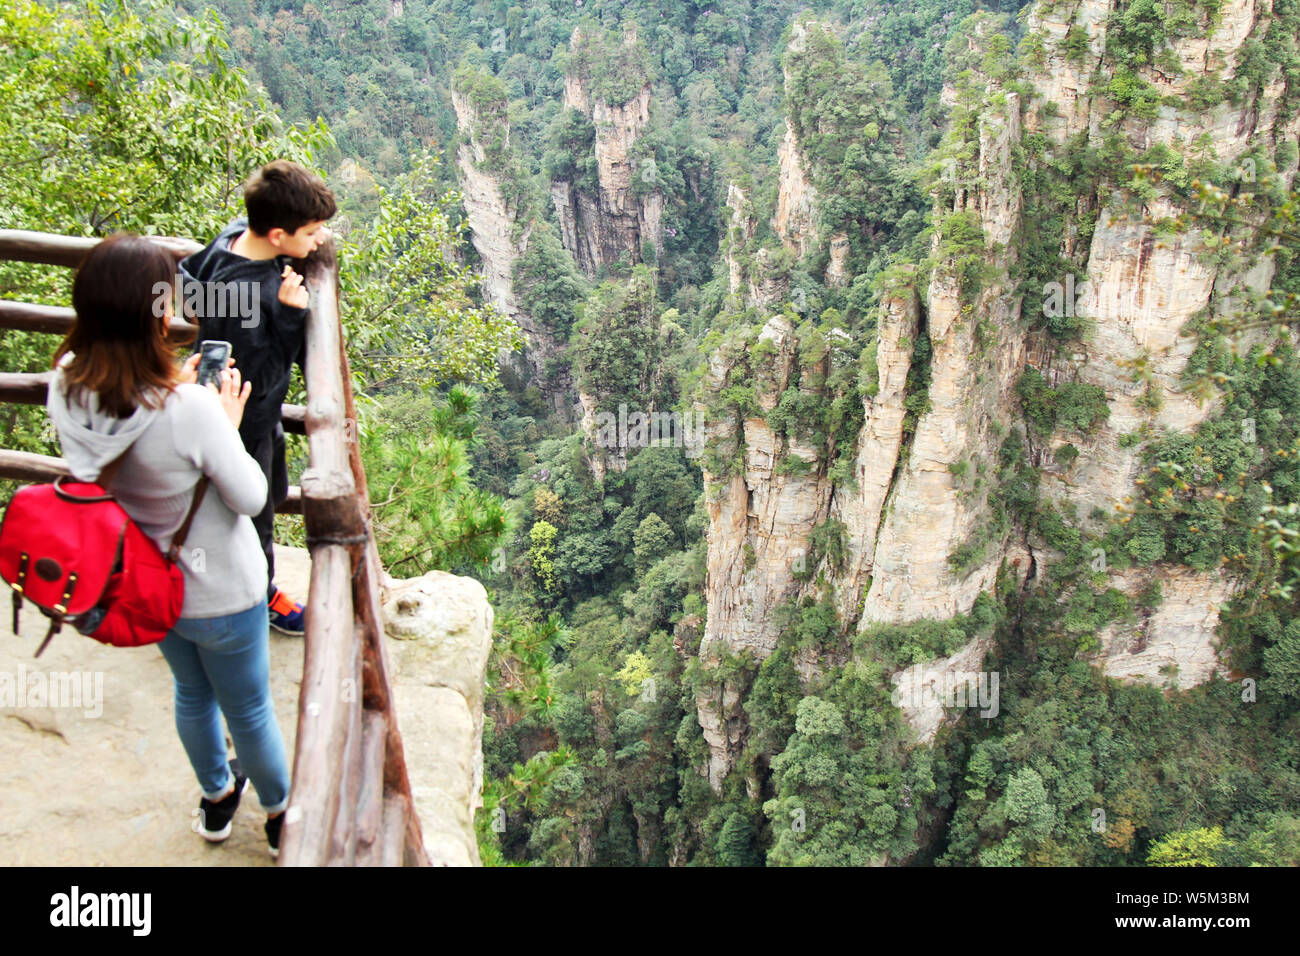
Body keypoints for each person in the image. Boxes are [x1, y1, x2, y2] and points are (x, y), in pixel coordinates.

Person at [46, 233, 290, 858]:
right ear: (156, 315)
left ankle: (215, 803)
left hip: (144, 584)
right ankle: (281, 815)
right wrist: (226, 425)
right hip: (222, 593)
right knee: (252, 711)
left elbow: (124, 442)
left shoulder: (68, 383)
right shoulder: (190, 408)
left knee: (191, 694)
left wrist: (180, 393)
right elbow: (251, 496)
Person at [180, 160, 336, 636]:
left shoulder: (230, 240)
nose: (318, 241)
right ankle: (259, 595)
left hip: (219, 402)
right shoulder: (252, 296)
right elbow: (263, 377)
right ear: (276, 234)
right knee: (255, 509)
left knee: (263, 488)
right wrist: (289, 315)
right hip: (243, 420)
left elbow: (188, 282)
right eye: (311, 233)